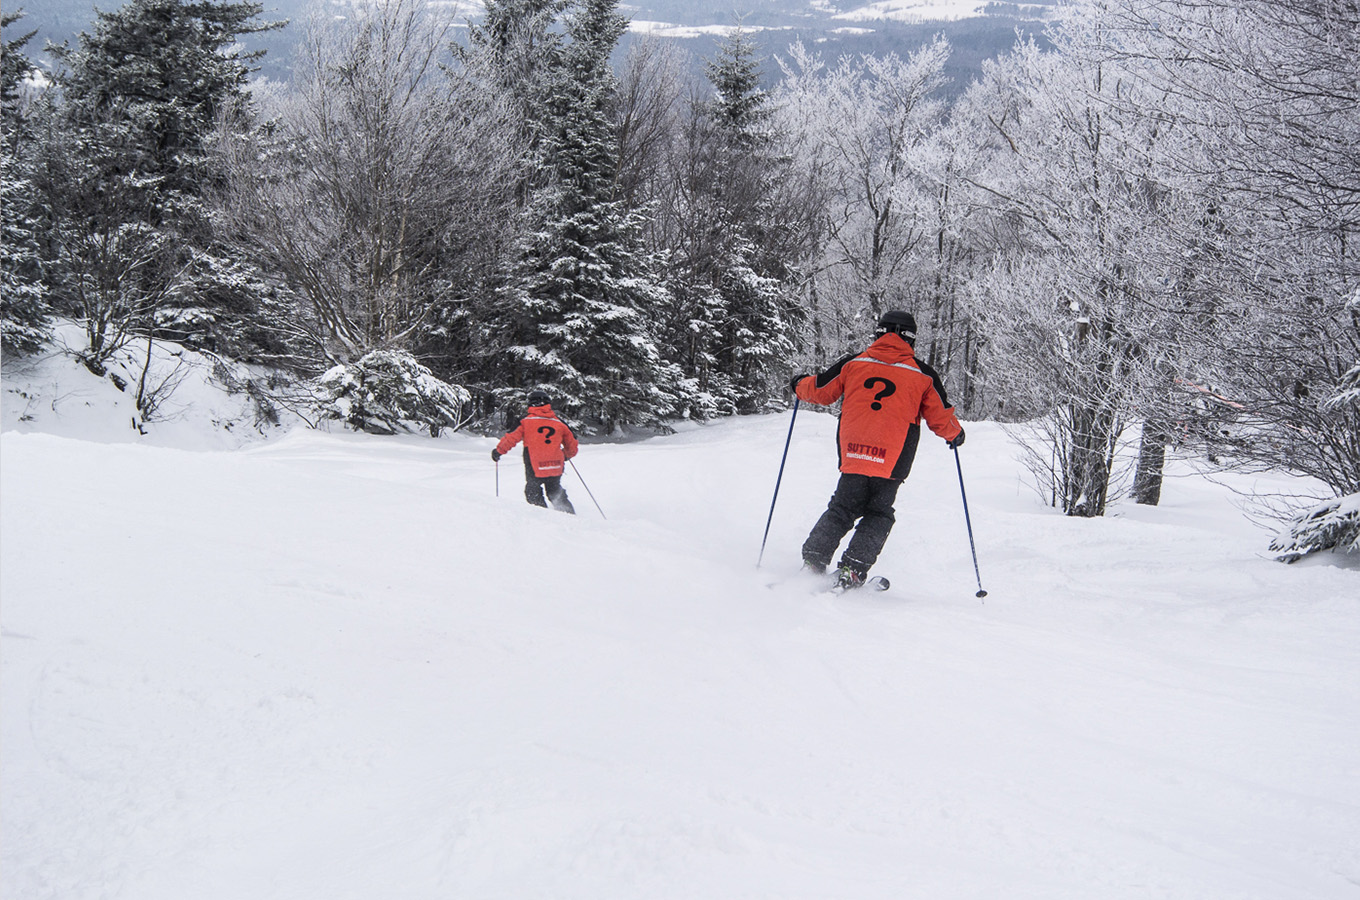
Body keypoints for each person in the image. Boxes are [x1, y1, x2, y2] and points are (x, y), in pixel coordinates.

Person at [790, 310, 965, 590]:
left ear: (879, 334)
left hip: (854, 453)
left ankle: (813, 561)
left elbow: (821, 390)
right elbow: (940, 417)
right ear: (911, 339)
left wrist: (798, 385)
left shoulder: (854, 363)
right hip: (892, 460)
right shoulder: (922, 375)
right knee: (879, 513)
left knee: (842, 507)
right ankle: (854, 570)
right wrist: (955, 435)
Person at [492, 389, 578, 514]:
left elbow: (511, 438)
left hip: (535, 465)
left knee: (532, 491)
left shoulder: (525, 421)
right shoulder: (559, 422)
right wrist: (565, 455)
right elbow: (572, 444)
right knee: (554, 491)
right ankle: (569, 516)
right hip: (555, 464)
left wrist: (498, 451)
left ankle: (543, 517)